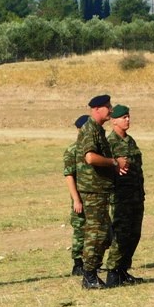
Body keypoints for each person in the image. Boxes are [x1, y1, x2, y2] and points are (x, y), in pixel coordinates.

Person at [76, 95, 128, 289]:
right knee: (95, 233)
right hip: (93, 190)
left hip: (100, 188)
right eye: (107, 107)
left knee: (103, 233)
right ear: (97, 109)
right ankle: (89, 275)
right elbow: (90, 157)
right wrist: (114, 162)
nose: (111, 109)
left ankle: (92, 273)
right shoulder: (90, 129)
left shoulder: (98, 130)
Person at [103, 104, 145, 286]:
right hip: (120, 197)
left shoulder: (130, 141)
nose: (127, 120)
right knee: (120, 234)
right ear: (113, 121)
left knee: (134, 234)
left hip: (135, 195)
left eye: (128, 116)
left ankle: (123, 270)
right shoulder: (109, 143)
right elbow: (104, 168)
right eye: (123, 117)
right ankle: (113, 272)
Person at [63, 115, 90, 276]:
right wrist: (76, 199)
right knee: (80, 230)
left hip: (95, 196)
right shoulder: (72, 150)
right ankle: (78, 263)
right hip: (80, 197)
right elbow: (69, 176)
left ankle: (90, 261)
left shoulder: (93, 148)